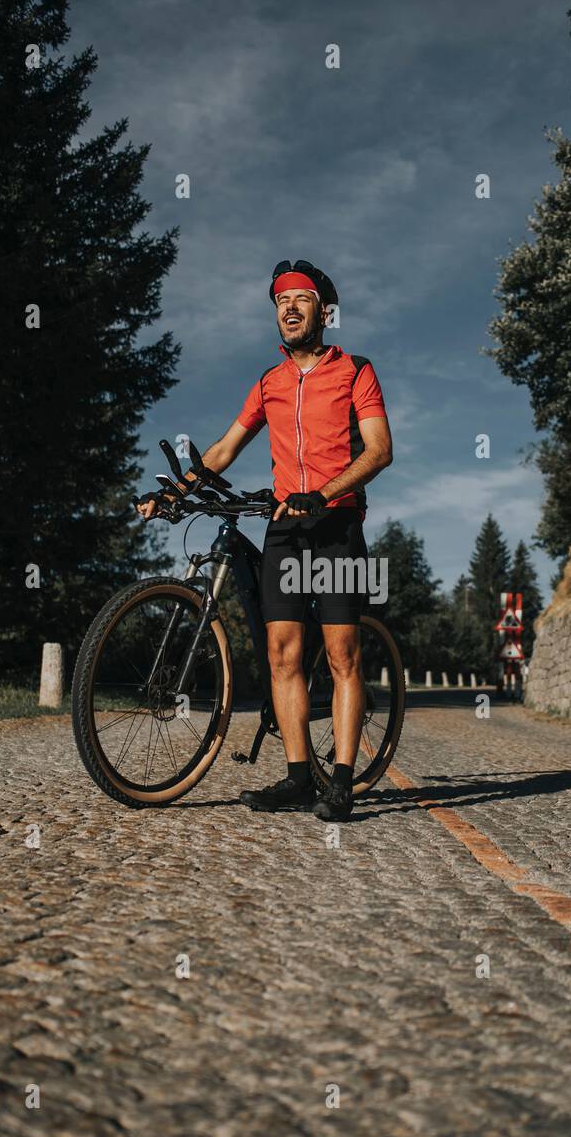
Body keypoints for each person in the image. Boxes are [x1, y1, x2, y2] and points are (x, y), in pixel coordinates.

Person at [137, 259, 393, 821]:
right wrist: (176, 492)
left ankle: (342, 782)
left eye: (302, 300)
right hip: (284, 526)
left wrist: (325, 494)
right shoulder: (269, 384)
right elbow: (225, 449)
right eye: (282, 303)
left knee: (341, 654)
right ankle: (300, 777)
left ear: (324, 311)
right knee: (283, 654)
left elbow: (378, 450)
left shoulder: (356, 370)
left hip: (337, 524)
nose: (291, 309)